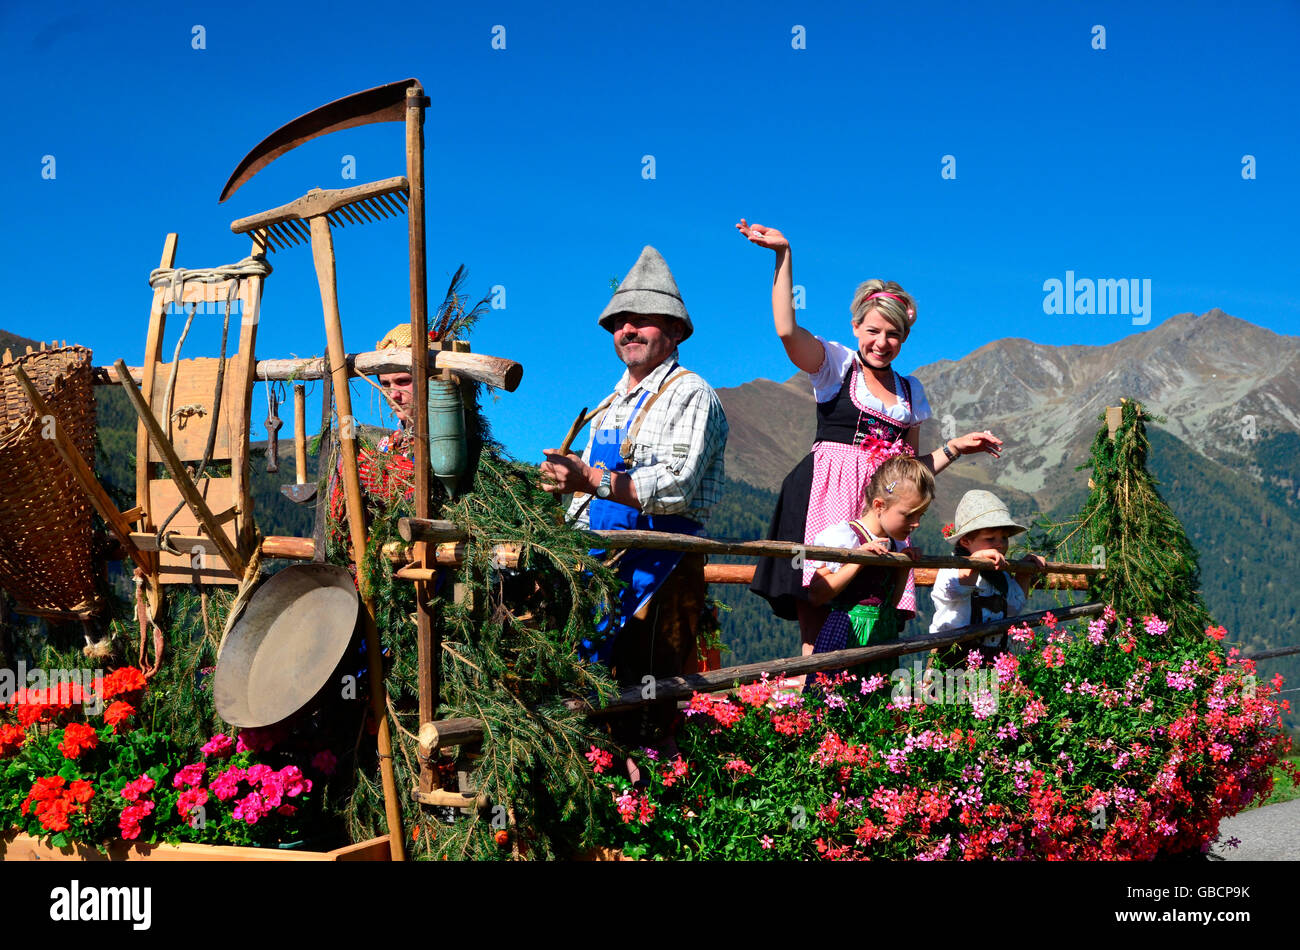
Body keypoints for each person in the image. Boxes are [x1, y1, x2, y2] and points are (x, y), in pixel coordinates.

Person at [736, 219, 1003, 655]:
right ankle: (813, 706)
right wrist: (784, 256)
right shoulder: (836, 365)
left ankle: (866, 704)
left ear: (905, 336)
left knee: (873, 614)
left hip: (885, 506)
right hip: (826, 494)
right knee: (821, 609)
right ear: (856, 326)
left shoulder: (910, 390)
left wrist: (957, 447)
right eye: (873, 330)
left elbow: (911, 473)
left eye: (893, 333)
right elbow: (787, 330)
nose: (882, 341)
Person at [539, 245, 728, 746]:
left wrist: (590, 480)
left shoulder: (693, 393)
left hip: (661, 565)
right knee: (593, 694)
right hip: (601, 563)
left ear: (675, 330)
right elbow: (585, 498)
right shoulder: (606, 404)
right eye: (621, 321)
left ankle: (653, 802)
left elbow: (677, 485)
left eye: (643, 320)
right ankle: (607, 792)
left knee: (648, 697)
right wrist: (561, 490)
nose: (628, 330)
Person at [806, 456, 932, 679]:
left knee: (874, 706)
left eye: (920, 515)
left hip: (881, 634)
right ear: (879, 505)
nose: (916, 524)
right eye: (908, 515)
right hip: (846, 633)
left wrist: (904, 566)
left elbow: (890, 603)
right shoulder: (845, 537)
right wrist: (857, 561)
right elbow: (816, 594)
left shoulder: (895, 543)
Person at [929, 489, 1047, 659]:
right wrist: (975, 562)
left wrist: (1024, 574)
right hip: (952, 656)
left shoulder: (1001, 574)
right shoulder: (953, 566)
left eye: (1004, 538)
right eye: (990, 539)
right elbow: (955, 590)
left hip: (992, 658)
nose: (1000, 545)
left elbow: (1013, 607)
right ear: (965, 541)